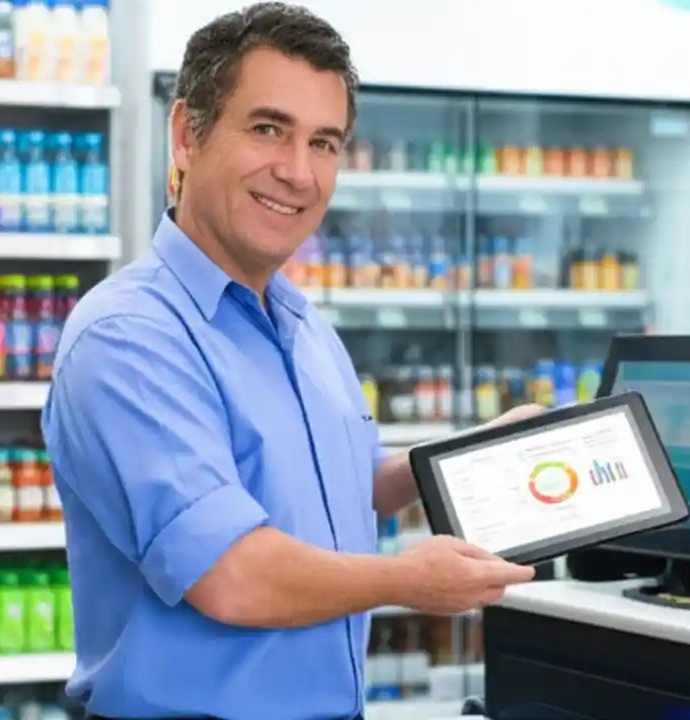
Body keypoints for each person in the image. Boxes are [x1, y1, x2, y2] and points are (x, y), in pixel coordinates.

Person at [41, 3, 539, 718]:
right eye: (269, 129)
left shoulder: (302, 326)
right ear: (187, 134)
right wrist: (406, 581)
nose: (298, 172)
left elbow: (349, 489)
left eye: (325, 143)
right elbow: (233, 575)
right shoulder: (129, 338)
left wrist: (469, 453)